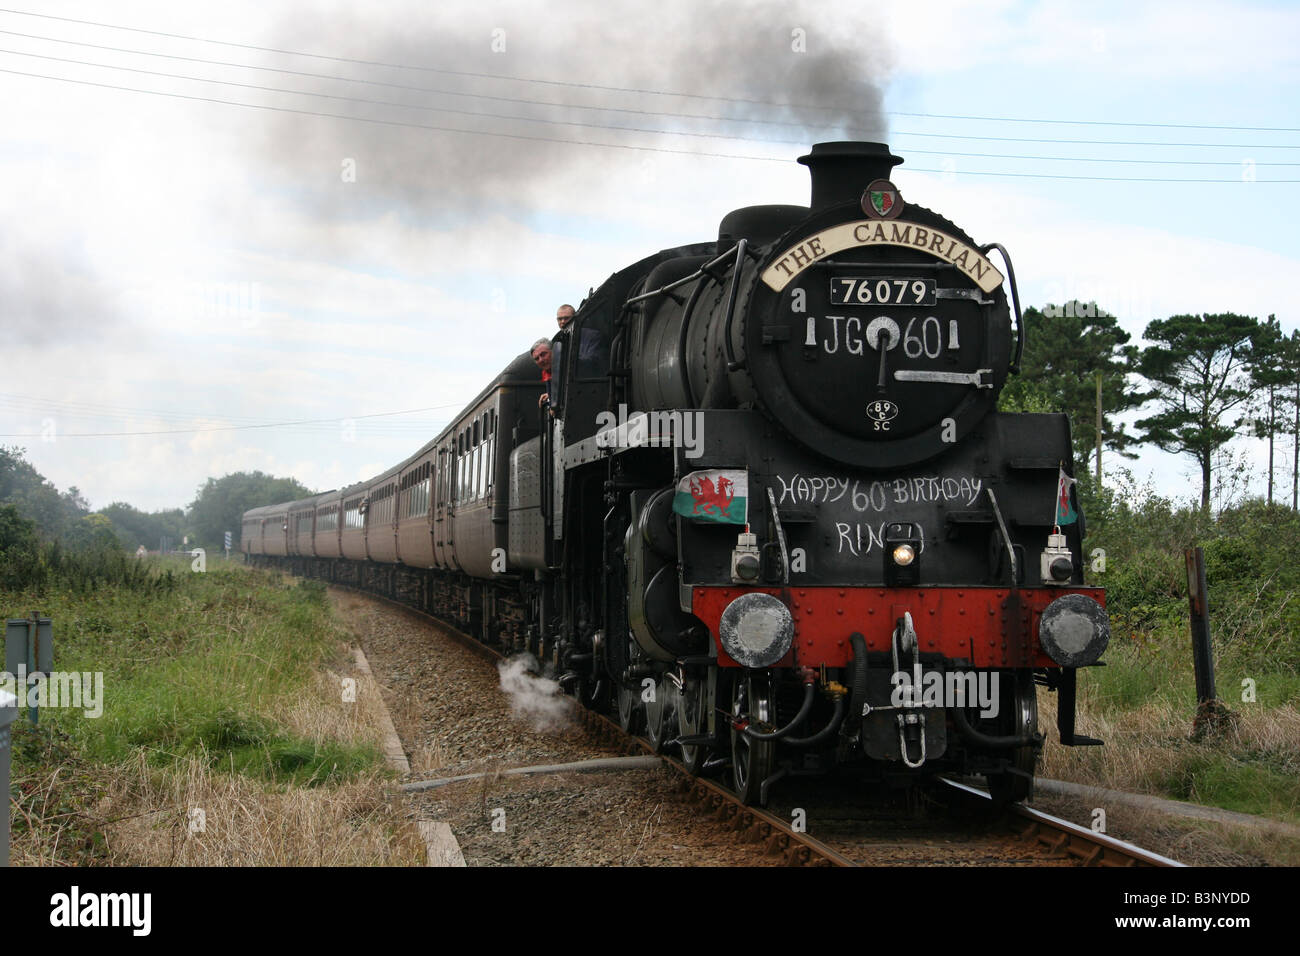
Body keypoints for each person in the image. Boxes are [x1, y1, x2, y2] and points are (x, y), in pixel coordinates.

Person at [531, 337, 553, 408]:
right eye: (537, 359)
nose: (540, 360)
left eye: (543, 354)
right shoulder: (547, 373)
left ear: (553, 351)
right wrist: (550, 395)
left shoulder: (566, 368)